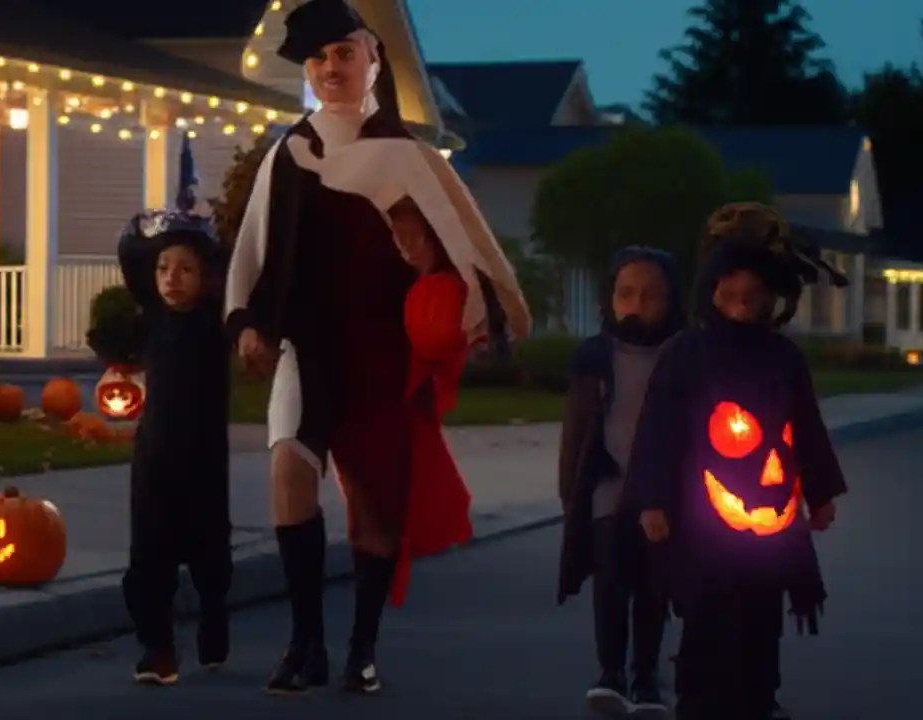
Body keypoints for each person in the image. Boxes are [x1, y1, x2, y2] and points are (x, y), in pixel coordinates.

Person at [225, 0, 531, 696]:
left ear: (372, 59)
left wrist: (477, 308)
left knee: (374, 504)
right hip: (308, 346)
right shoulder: (289, 152)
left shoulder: (409, 157)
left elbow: (460, 245)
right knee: (289, 476)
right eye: (319, 58)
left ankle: (361, 647)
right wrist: (249, 320)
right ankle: (306, 641)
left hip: (383, 355)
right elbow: (257, 244)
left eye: (344, 53)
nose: (332, 68)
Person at [625, 205, 848, 720]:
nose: (742, 308)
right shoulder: (687, 354)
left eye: (753, 299)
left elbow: (804, 429)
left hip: (770, 527)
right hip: (702, 522)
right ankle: (699, 701)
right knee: (707, 614)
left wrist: (820, 492)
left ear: (772, 300)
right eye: (730, 297)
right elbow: (658, 428)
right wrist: (653, 500)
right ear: (711, 293)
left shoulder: (783, 358)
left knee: (761, 614)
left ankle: (759, 696)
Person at [557, 246, 684, 718]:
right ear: (610, 298)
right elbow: (576, 430)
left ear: (671, 301)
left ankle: (645, 675)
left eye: (650, 295)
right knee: (609, 580)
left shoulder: (681, 355)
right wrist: (572, 488)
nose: (636, 304)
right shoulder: (595, 356)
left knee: (653, 586)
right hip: (607, 487)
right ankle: (610, 671)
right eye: (626, 293)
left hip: (662, 494)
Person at [117, 208, 232, 686]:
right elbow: (129, 253)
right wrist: (152, 226)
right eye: (164, 269)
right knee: (150, 554)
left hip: (203, 459)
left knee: (209, 551)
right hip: (155, 457)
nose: (172, 279)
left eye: (186, 269)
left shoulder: (216, 323)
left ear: (205, 277)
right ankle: (157, 648)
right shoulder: (153, 317)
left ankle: (214, 617)